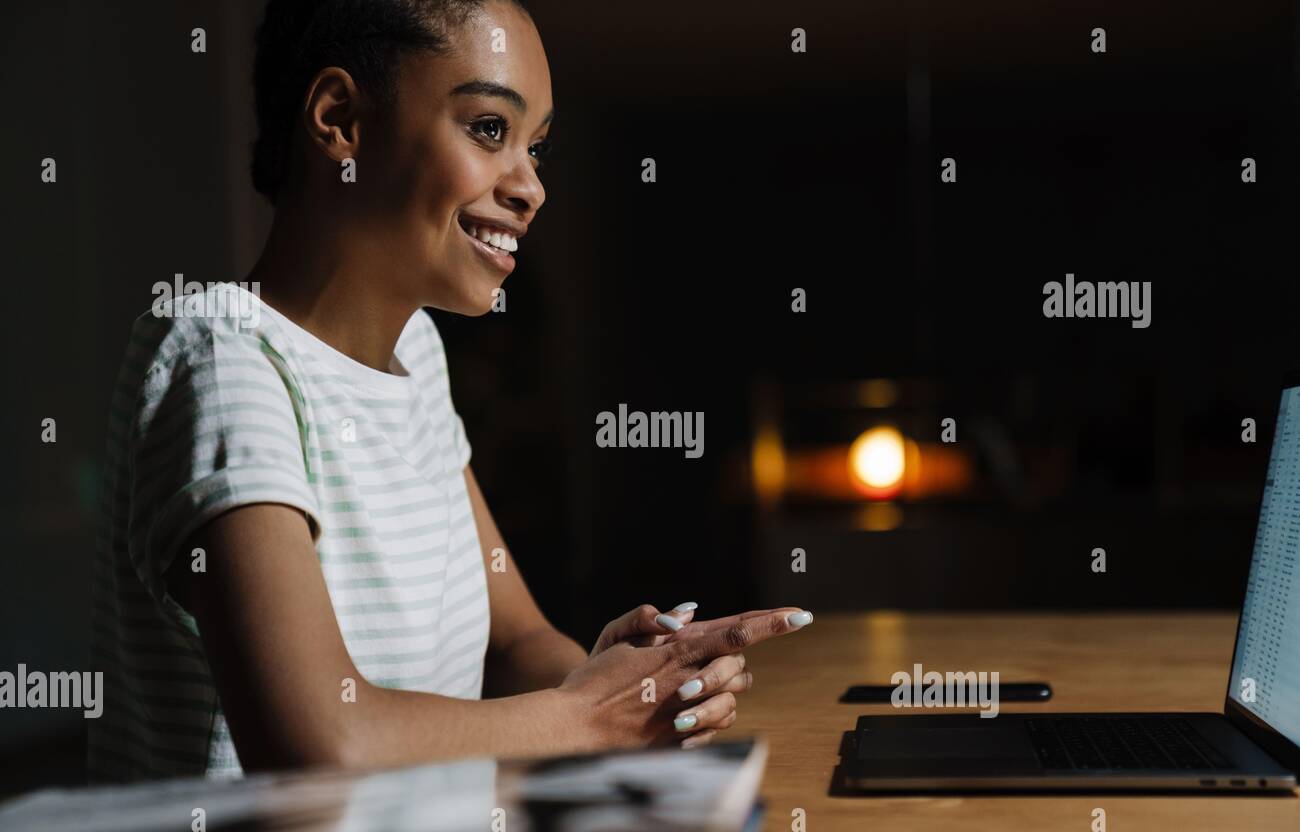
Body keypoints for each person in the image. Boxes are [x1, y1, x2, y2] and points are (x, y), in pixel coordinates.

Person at [89, 0, 813, 782]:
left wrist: (620, 683)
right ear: (340, 121)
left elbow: (516, 642)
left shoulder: (416, 353)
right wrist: (584, 716)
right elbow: (318, 744)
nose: (531, 186)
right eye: (490, 129)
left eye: (536, 146)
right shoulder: (222, 355)